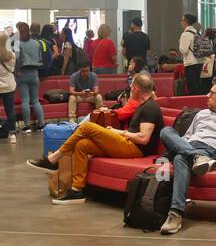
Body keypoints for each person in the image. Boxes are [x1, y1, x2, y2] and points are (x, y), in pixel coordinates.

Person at [34, 72, 164, 204]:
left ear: (136, 89)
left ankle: (54, 159)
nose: (130, 89)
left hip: (135, 148)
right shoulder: (143, 105)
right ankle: (76, 190)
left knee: (87, 127)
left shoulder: (150, 107)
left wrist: (119, 132)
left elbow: (144, 138)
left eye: (131, 87)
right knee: (82, 145)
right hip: (128, 144)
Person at [158, 82, 216, 235]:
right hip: (191, 147)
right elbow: (188, 136)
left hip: (211, 151)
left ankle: (175, 214)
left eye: (211, 93)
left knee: (179, 158)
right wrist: (182, 145)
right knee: (166, 131)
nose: (207, 96)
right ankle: (197, 157)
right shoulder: (201, 114)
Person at [13, 21, 46, 132]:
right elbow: (40, 58)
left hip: (22, 73)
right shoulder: (36, 43)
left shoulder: (18, 43)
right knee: (35, 100)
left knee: (25, 101)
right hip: (34, 73)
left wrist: (16, 71)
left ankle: (26, 125)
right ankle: (41, 124)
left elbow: (17, 59)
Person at [178, 13, 209, 94]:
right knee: (198, 86)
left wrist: (179, 44)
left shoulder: (185, 34)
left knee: (192, 88)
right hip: (199, 62)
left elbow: (184, 50)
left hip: (190, 63)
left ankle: (195, 104)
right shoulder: (197, 32)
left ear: (186, 21)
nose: (181, 22)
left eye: (182, 20)